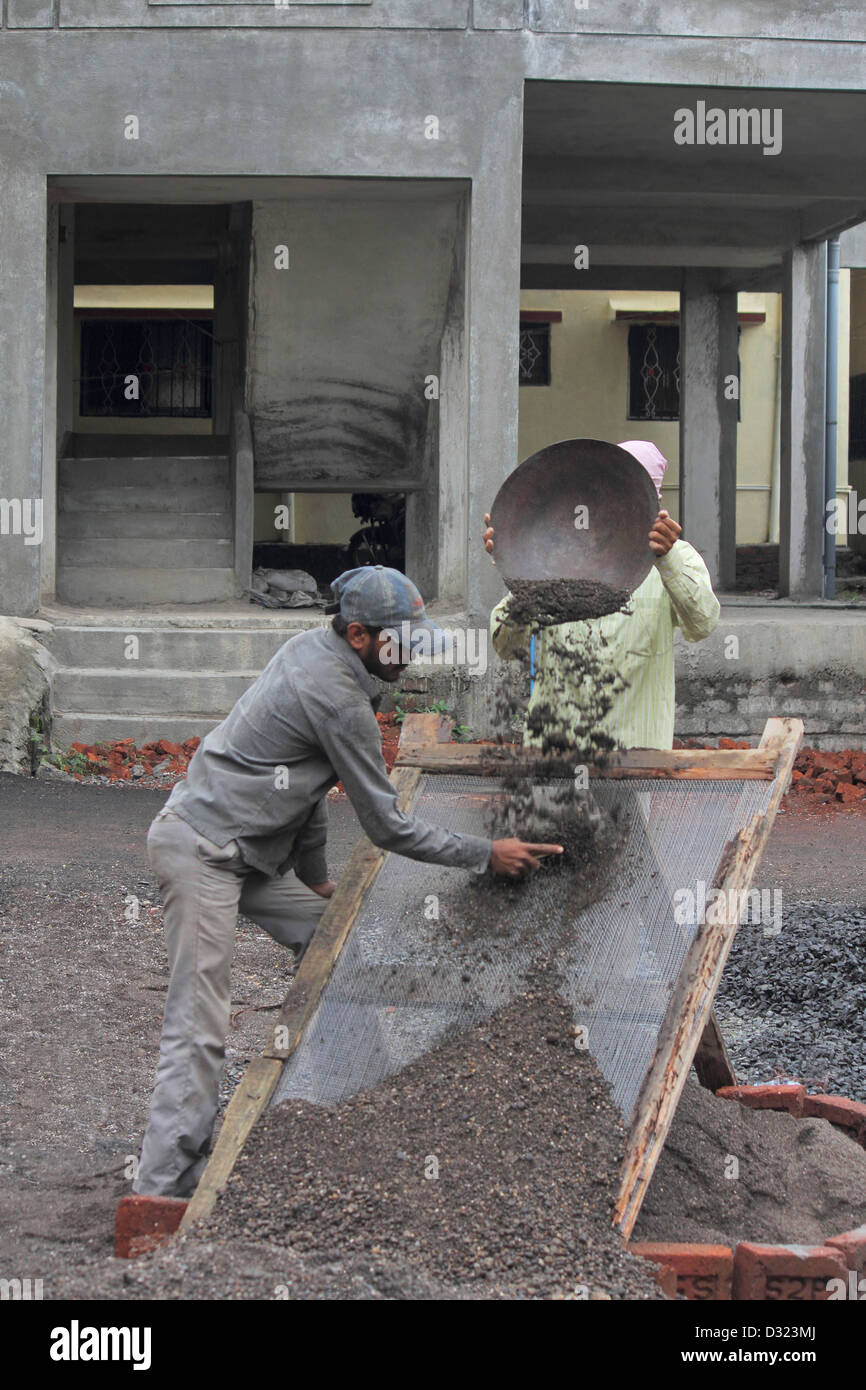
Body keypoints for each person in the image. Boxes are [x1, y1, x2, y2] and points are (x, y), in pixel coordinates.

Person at [133, 565, 562, 1198]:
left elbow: (305, 784)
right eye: (402, 644)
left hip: (245, 854)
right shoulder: (337, 694)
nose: (412, 658)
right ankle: (160, 1188)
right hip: (203, 851)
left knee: (336, 943)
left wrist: (315, 881)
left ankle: (352, 1109)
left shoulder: (322, 652)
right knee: (199, 1023)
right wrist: (483, 853)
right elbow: (388, 826)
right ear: (359, 634)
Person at [483, 440, 721, 751]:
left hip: (634, 754)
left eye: (631, 500)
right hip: (553, 753)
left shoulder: (678, 560)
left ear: (655, 506)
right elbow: (505, 645)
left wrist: (668, 559)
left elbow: (703, 622)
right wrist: (518, 568)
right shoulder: (557, 558)